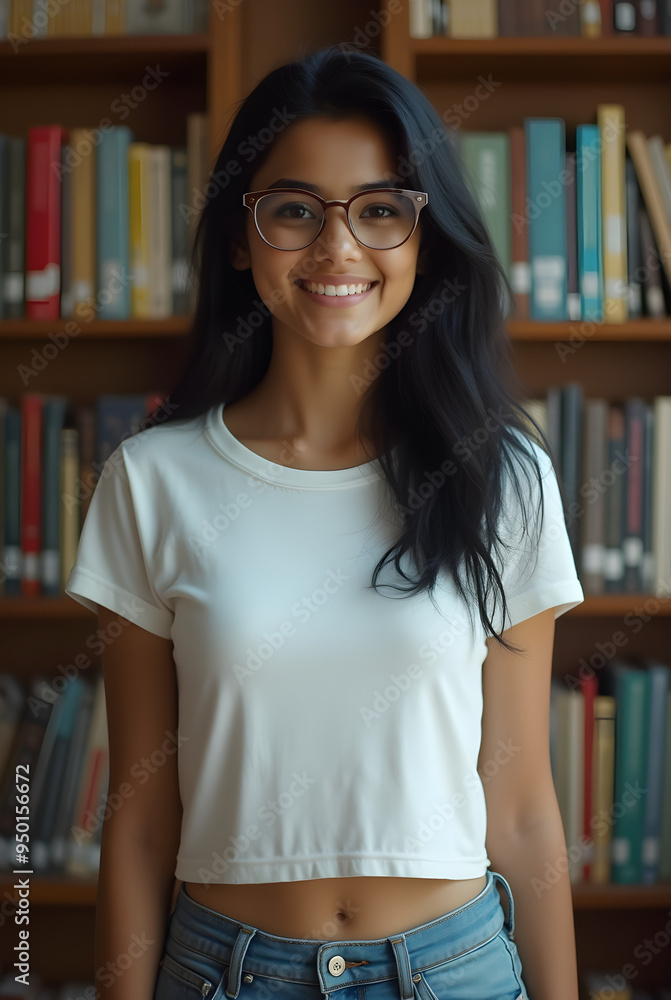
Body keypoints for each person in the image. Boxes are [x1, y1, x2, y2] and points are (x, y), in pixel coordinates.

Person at [65, 43, 585, 1000]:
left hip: (455, 970)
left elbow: (518, 807)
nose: (337, 247)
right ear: (240, 236)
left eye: (379, 210)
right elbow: (140, 822)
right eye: (294, 210)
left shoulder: (503, 478)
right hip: (227, 974)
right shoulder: (151, 482)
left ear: (424, 240)